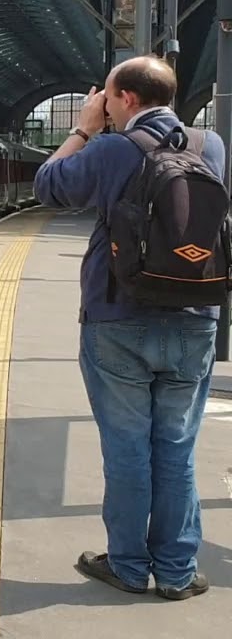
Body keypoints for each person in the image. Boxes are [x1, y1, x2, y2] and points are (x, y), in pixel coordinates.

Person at [33, 55, 224, 601]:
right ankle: (178, 572)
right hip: (195, 319)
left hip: (118, 319)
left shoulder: (113, 148)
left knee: (127, 449)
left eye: (108, 99)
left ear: (127, 100)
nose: (105, 107)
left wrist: (82, 128)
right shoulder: (209, 147)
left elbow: (49, 185)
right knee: (176, 449)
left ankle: (128, 566)